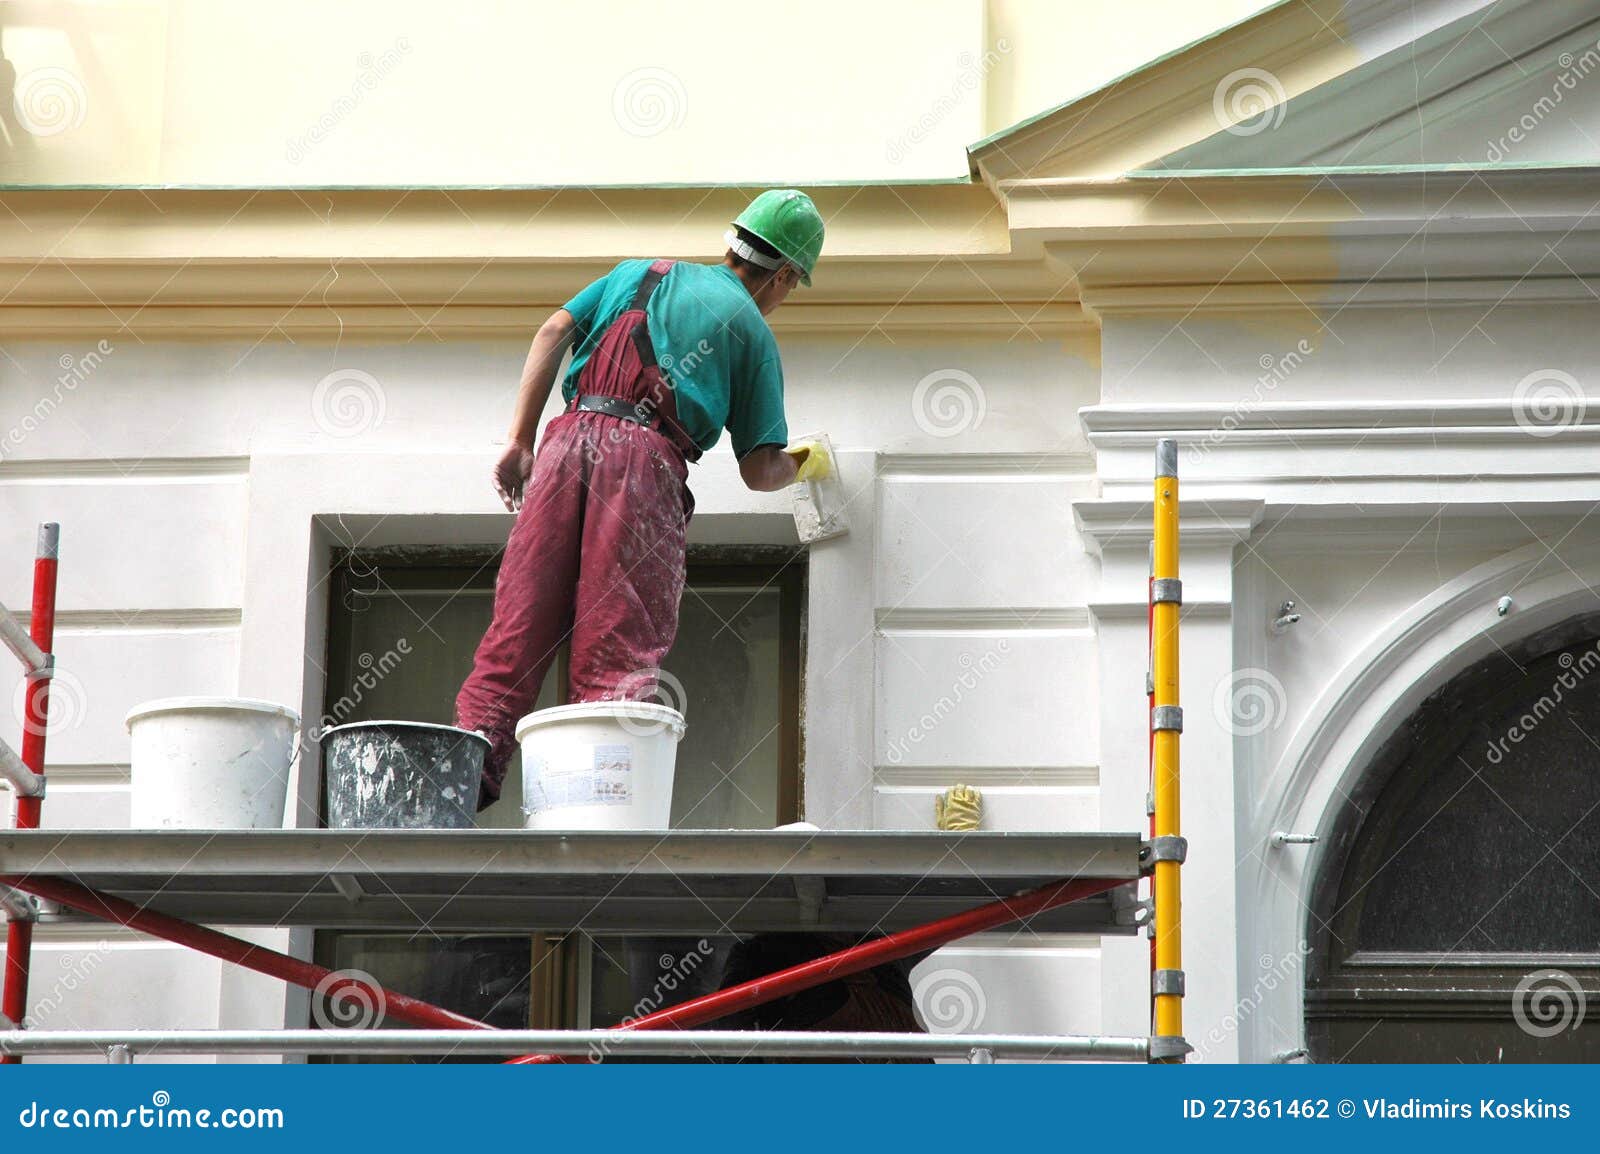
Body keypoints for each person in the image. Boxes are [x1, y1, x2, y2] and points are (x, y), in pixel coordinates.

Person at [455, 189, 829, 806]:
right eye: (793, 285)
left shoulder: (638, 273)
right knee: (615, 647)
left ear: (735, 243)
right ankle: (593, 818)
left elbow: (552, 329)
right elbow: (760, 471)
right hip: (642, 466)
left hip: (564, 445)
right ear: (785, 274)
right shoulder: (752, 333)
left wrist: (521, 441)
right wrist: (805, 463)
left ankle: (454, 792)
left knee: (516, 632)